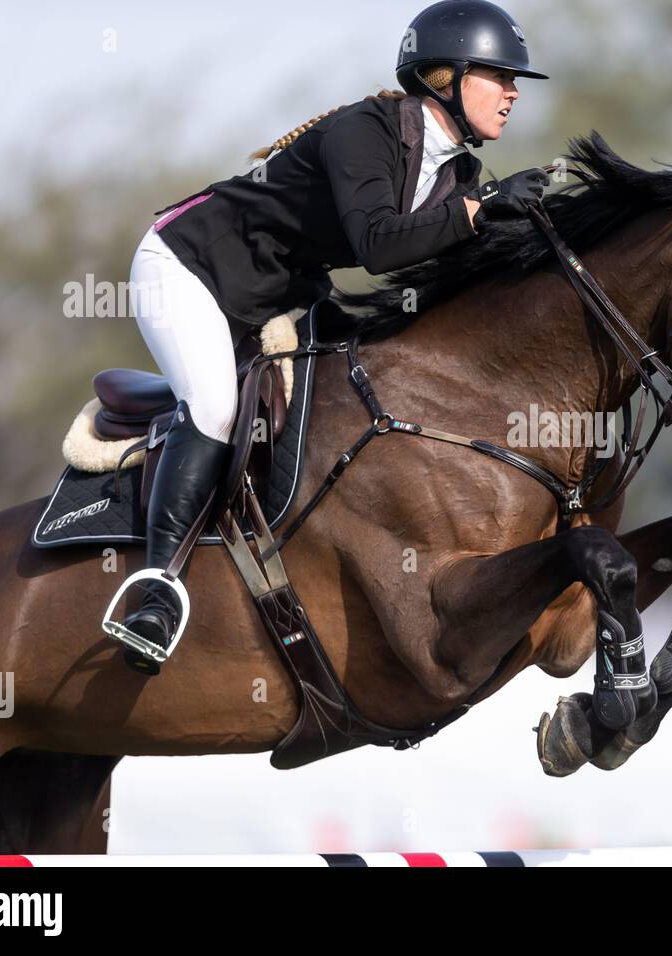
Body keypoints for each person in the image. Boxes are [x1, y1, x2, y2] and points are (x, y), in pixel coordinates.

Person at [103, 0, 550, 675]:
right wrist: (480, 210)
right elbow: (377, 244)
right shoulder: (365, 130)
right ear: (445, 76)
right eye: (501, 76)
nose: (513, 93)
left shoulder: (457, 175)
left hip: (279, 295)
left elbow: (439, 272)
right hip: (190, 268)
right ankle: (157, 591)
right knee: (217, 406)